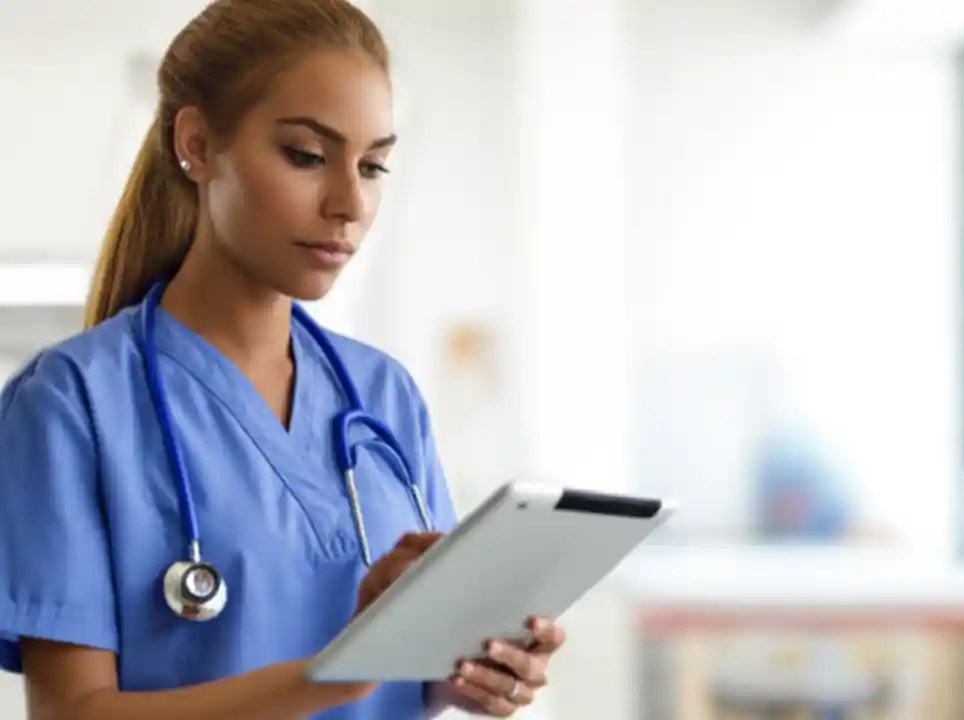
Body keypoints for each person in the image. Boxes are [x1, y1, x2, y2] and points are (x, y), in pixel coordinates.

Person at [0, 1, 566, 718]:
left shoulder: (384, 397)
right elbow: (72, 714)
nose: (349, 202)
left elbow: (408, 675)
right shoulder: (72, 406)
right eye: (306, 156)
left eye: (374, 164)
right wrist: (336, 672)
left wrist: (473, 672)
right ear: (199, 144)